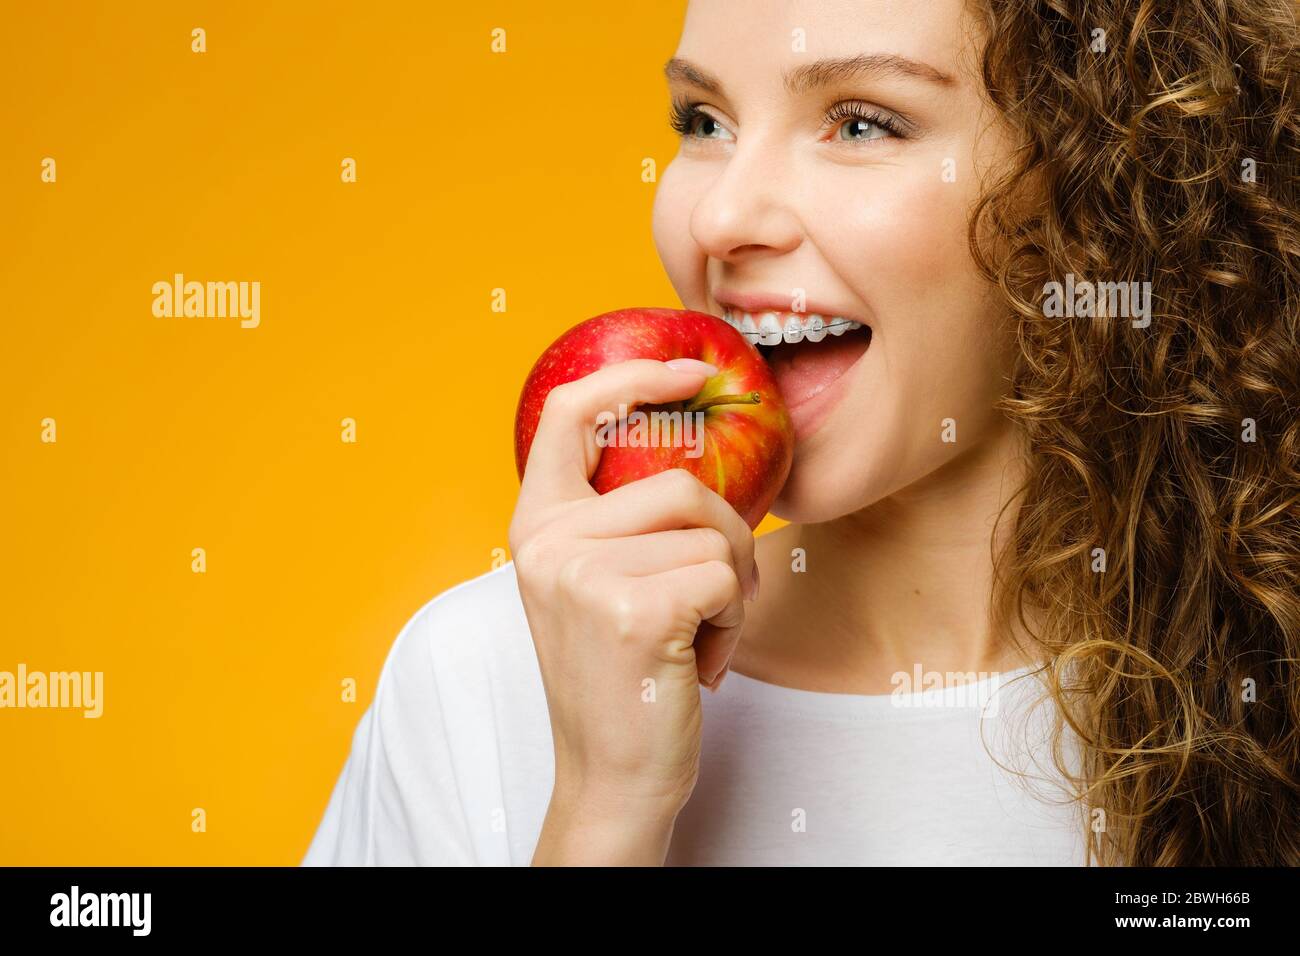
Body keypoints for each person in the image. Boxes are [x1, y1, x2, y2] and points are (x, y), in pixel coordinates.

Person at [303, 0, 1300, 866]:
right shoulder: (487, 676)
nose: (720, 214)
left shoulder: (1265, 663)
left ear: (1102, 189)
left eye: (861, 123)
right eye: (702, 119)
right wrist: (602, 811)